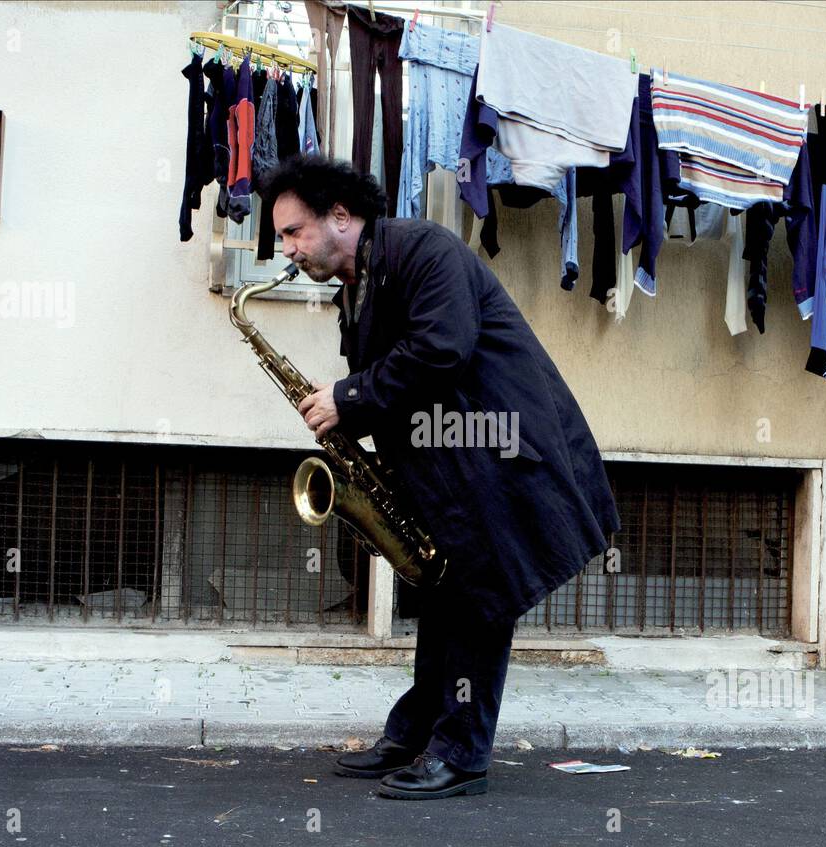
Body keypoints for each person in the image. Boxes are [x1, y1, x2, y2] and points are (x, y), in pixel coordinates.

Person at [259, 154, 620, 799]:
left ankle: (462, 755)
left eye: (293, 232)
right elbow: (395, 386)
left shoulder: (425, 249)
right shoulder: (357, 287)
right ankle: (416, 732)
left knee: (480, 601)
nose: (285, 248)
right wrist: (346, 417)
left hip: (497, 456)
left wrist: (350, 396)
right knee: (445, 599)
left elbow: (442, 346)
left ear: (341, 217)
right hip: (448, 467)